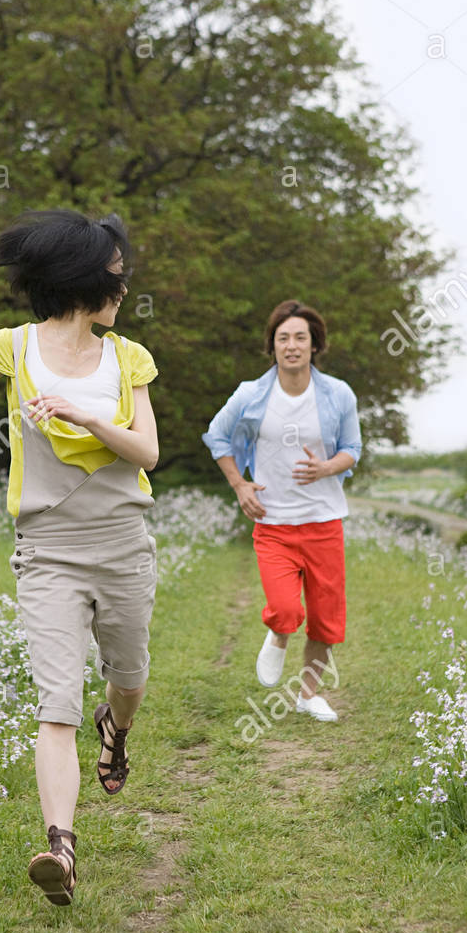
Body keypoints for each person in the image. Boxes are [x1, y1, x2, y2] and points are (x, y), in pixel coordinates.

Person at [0, 209, 159, 906]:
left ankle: (118, 731)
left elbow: (148, 453)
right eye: (115, 273)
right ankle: (61, 848)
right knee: (56, 703)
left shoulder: (126, 358)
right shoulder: (12, 348)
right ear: (80, 278)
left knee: (127, 678)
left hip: (123, 545)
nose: (123, 286)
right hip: (46, 549)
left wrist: (89, 418)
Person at [201, 299, 362, 722]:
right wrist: (239, 485)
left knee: (327, 622)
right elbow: (216, 437)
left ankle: (308, 695)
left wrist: (327, 467)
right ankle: (277, 634)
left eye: (300, 338)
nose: (292, 345)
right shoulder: (251, 395)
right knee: (287, 610)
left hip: (324, 522)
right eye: (283, 338)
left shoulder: (338, 394)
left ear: (314, 345)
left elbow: (353, 449)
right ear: (272, 346)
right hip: (272, 523)